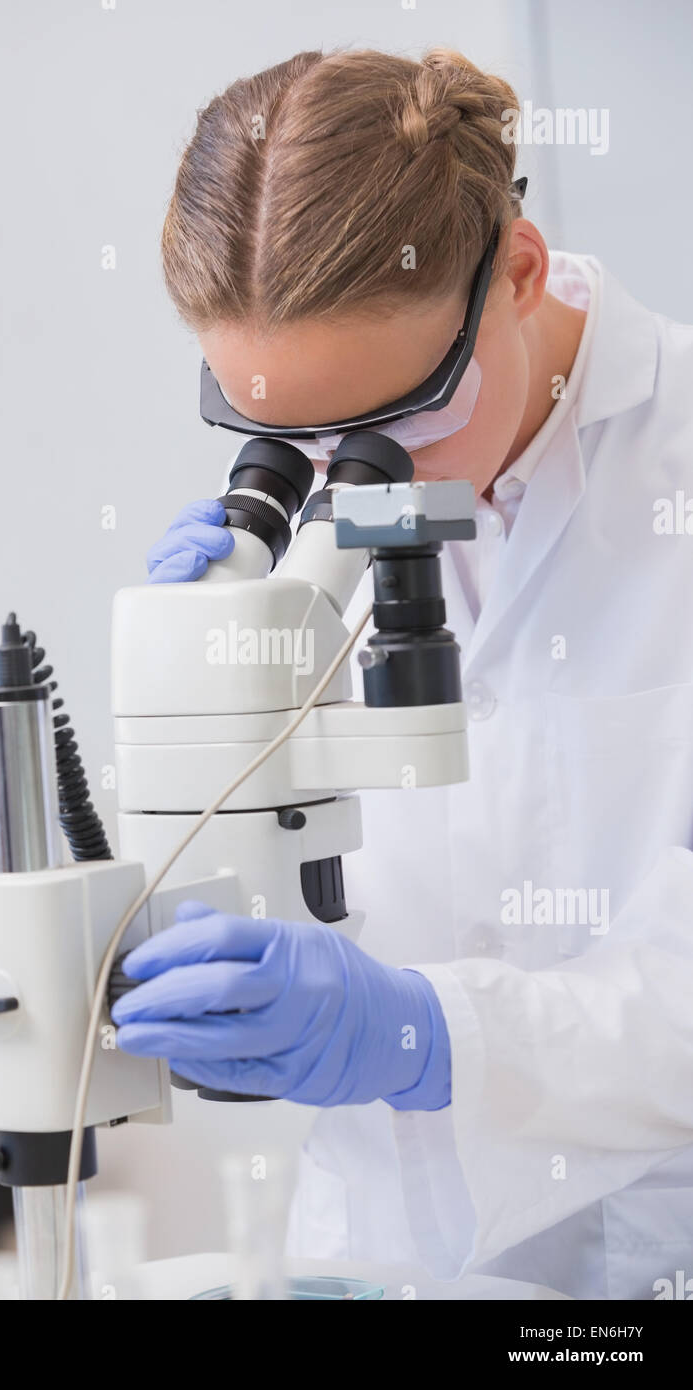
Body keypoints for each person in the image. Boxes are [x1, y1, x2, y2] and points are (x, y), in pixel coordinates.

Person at [111, 47, 693, 1299]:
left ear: (519, 273)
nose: (332, 479)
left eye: (389, 424)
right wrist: (208, 708)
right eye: (279, 435)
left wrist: (426, 1030)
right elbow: (311, 924)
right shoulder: (315, 538)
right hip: (381, 1254)